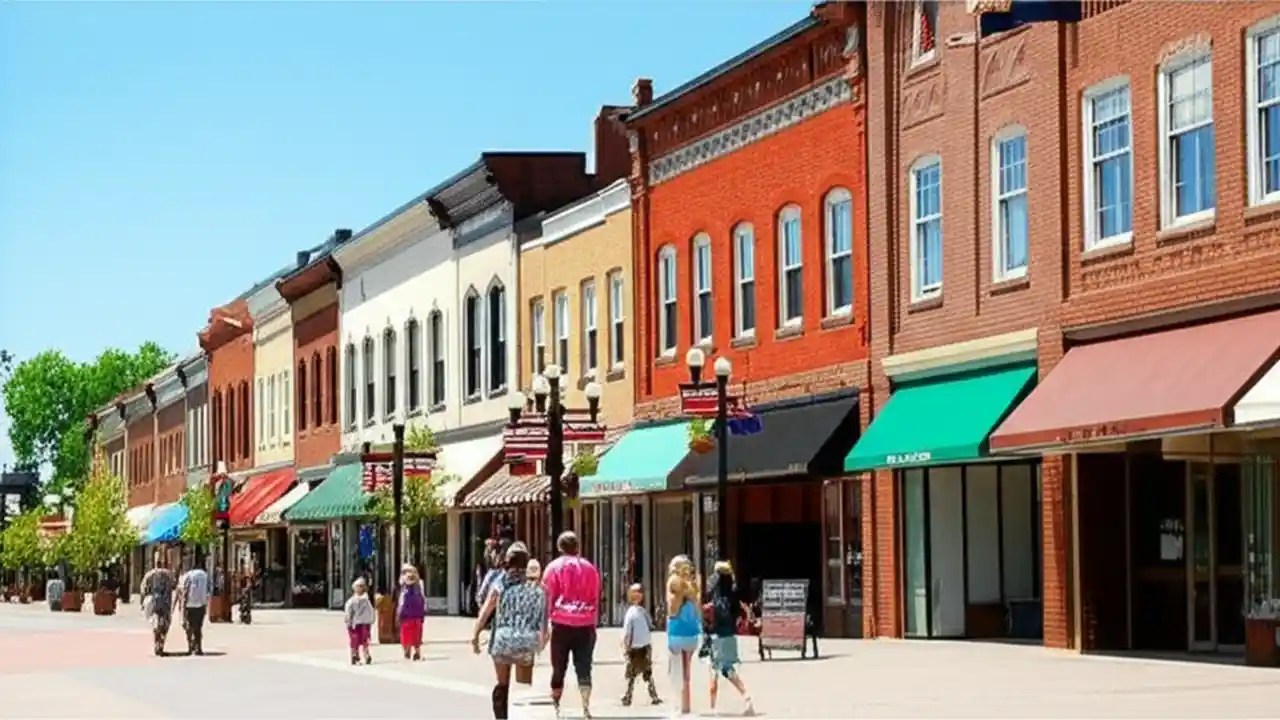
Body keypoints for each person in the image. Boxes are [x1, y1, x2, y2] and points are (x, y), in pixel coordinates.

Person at [470, 542, 547, 720]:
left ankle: (501, 717)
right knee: (522, 675)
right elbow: (542, 615)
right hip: (526, 639)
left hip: (503, 638)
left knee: (502, 683)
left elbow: (486, 609)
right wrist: (542, 640)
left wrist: (475, 635)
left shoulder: (501, 582)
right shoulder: (534, 585)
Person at [541, 531, 601, 718]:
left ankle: (556, 705)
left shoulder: (552, 568)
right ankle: (585, 706)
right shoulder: (590, 568)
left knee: (559, 666)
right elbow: (596, 595)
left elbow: (546, 598)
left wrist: (544, 628)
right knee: (584, 665)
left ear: (559, 548)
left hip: (561, 623)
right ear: (578, 546)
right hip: (586, 623)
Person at [705, 561, 755, 716]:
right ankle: (746, 697)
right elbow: (741, 611)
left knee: (714, 670)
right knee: (728, 670)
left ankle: (713, 708)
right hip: (730, 636)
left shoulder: (715, 593)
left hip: (717, 636)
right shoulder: (733, 592)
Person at [665, 555, 702, 716]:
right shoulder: (693, 586)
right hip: (692, 633)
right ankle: (686, 706)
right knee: (687, 672)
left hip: (676, 632)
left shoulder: (673, 583)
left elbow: (673, 610)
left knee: (675, 671)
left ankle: (678, 707)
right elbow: (697, 609)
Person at [620, 583, 662, 707]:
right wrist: (625, 645)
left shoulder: (640, 611)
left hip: (644, 646)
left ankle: (653, 696)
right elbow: (627, 631)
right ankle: (628, 696)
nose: (639, 595)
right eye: (636, 592)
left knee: (646, 673)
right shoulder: (632, 613)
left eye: (640, 592)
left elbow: (649, 624)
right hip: (635, 647)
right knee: (632, 674)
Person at [140, 552, 177, 656]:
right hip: (165, 603)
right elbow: (174, 586)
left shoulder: (149, 574)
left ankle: (157, 644)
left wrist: (143, 603)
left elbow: (143, 589)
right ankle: (161, 645)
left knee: (155, 625)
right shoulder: (168, 574)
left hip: (153, 602)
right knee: (165, 624)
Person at [178, 559, 210, 656]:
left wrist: (181, 605)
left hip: (189, 604)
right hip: (201, 604)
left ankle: (190, 646)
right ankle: (198, 647)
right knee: (198, 627)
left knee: (189, 626)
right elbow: (208, 589)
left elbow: (184, 590)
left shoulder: (188, 575)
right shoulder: (205, 575)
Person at [398, 563, 427, 661]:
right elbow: (401, 602)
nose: (411, 575)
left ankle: (416, 652)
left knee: (416, 636)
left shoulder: (419, 586)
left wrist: (423, 612)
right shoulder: (403, 588)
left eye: (413, 573)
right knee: (407, 635)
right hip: (407, 616)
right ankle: (408, 651)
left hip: (416, 615)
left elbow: (423, 600)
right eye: (408, 573)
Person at [344, 577, 375, 665]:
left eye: (362, 586)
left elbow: (371, 611)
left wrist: (371, 620)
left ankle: (365, 655)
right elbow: (348, 611)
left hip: (363, 623)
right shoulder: (353, 601)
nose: (360, 588)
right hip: (355, 624)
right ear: (354, 588)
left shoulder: (366, 600)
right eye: (359, 586)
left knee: (363, 640)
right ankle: (356, 655)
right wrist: (348, 621)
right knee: (356, 641)